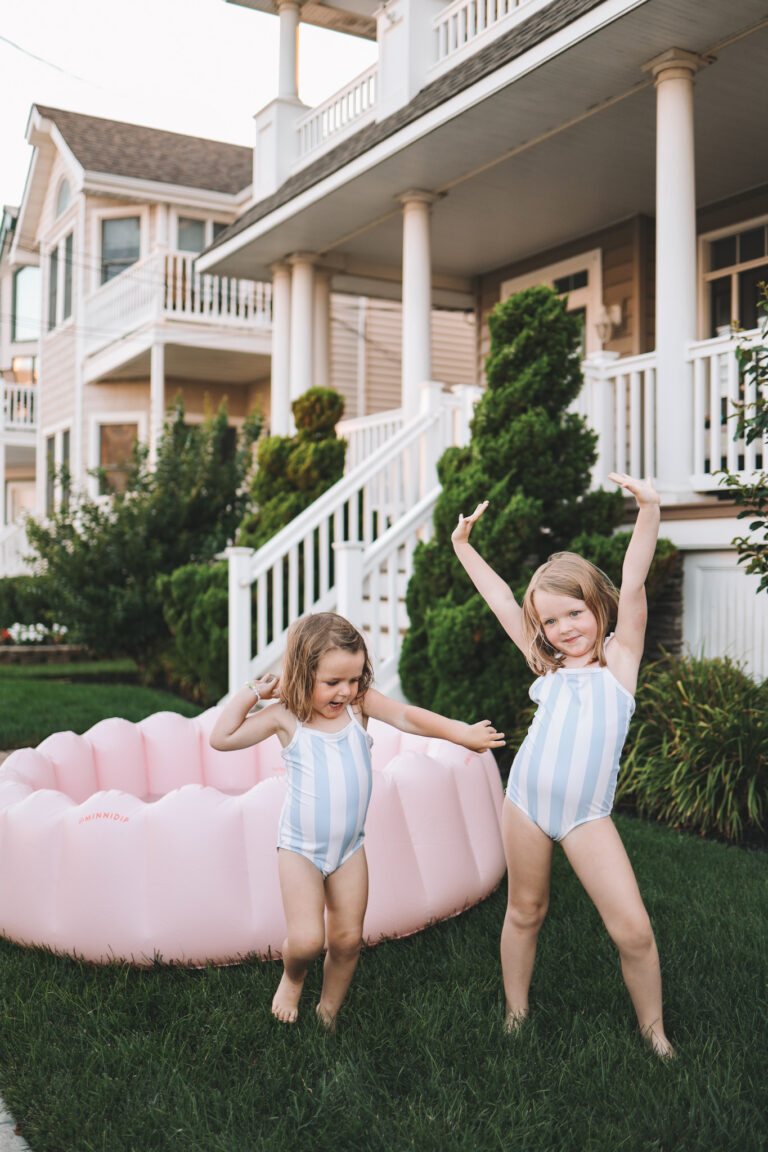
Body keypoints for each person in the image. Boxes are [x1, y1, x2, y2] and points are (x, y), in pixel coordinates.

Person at [451, 472, 674, 1058]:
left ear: (595, 608)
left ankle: (655, 1034)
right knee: (525, 910)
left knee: (633, 930)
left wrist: (648, 509)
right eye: (550, 622)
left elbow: (632, 580)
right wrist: (463, 547)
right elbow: (502, 600)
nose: (564, 629)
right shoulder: (546, 665)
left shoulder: (620, 660)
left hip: (585, 816)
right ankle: (515, 1014)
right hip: (524, 801)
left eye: (574, 613)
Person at [209, 611, 505, 1028]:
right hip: (300, 849)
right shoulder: (285, 718)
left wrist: (460, 732)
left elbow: (407, 717)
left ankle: (327, 1013)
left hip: (349, 849)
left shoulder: (358, 707)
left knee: (347, 940)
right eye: (333, 682)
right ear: (301, 673)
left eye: (354, 679)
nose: (345, 691)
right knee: (309, 940)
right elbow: (220, 739)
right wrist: (251, 692)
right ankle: (293, 977)